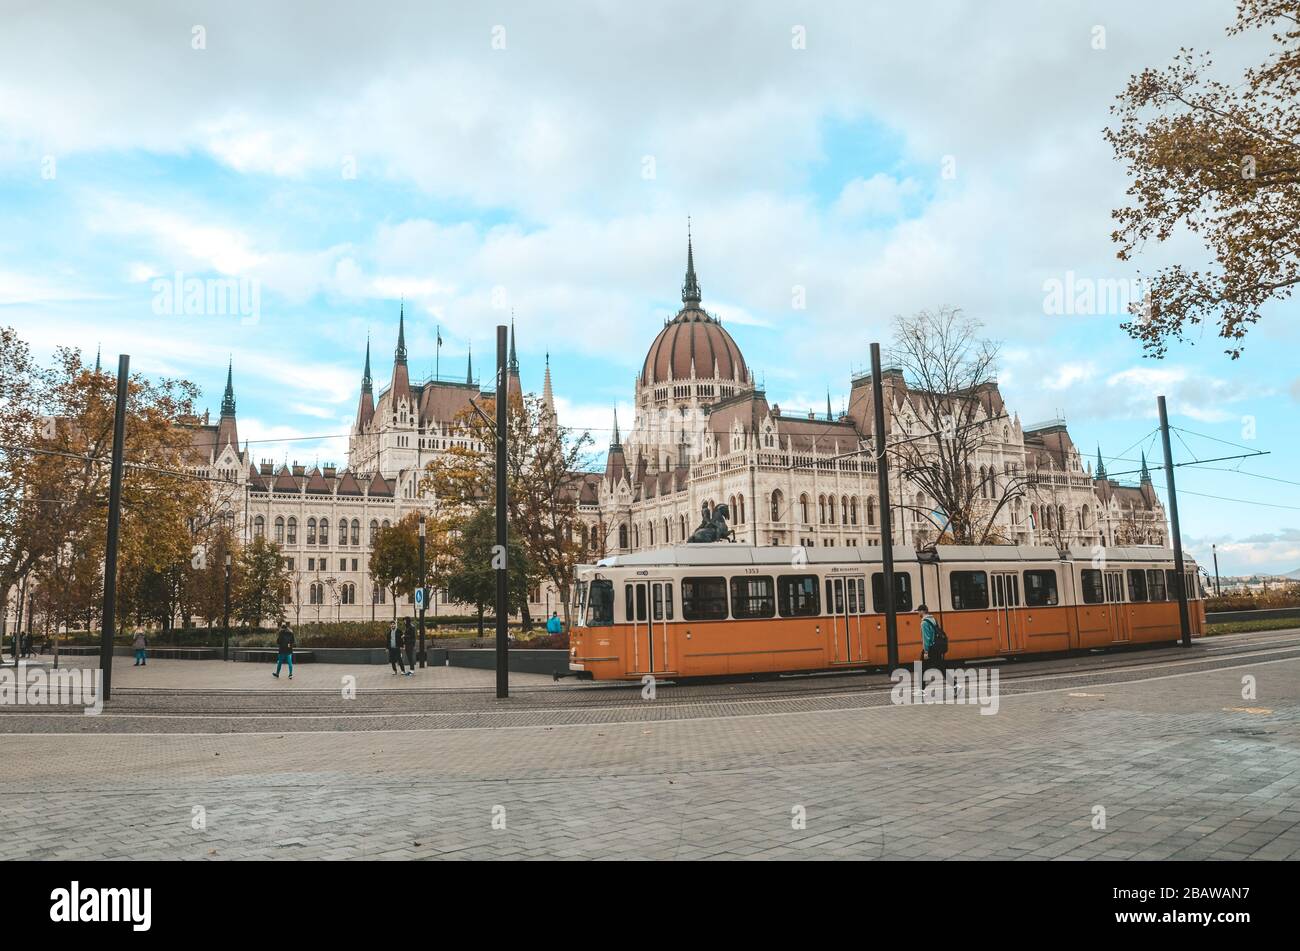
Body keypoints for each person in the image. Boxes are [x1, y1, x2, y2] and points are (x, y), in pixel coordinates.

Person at [918, 604, 946, 687]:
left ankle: (922, 689)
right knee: (941, 668)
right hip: (936, 647)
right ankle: (956, 685)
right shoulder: (933, 619)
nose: (918, 613)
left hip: (929, 648)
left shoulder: (924, 622)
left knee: (920, 669)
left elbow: (926, 638)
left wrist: (926, 651)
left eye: (919, 611)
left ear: (922, 611)